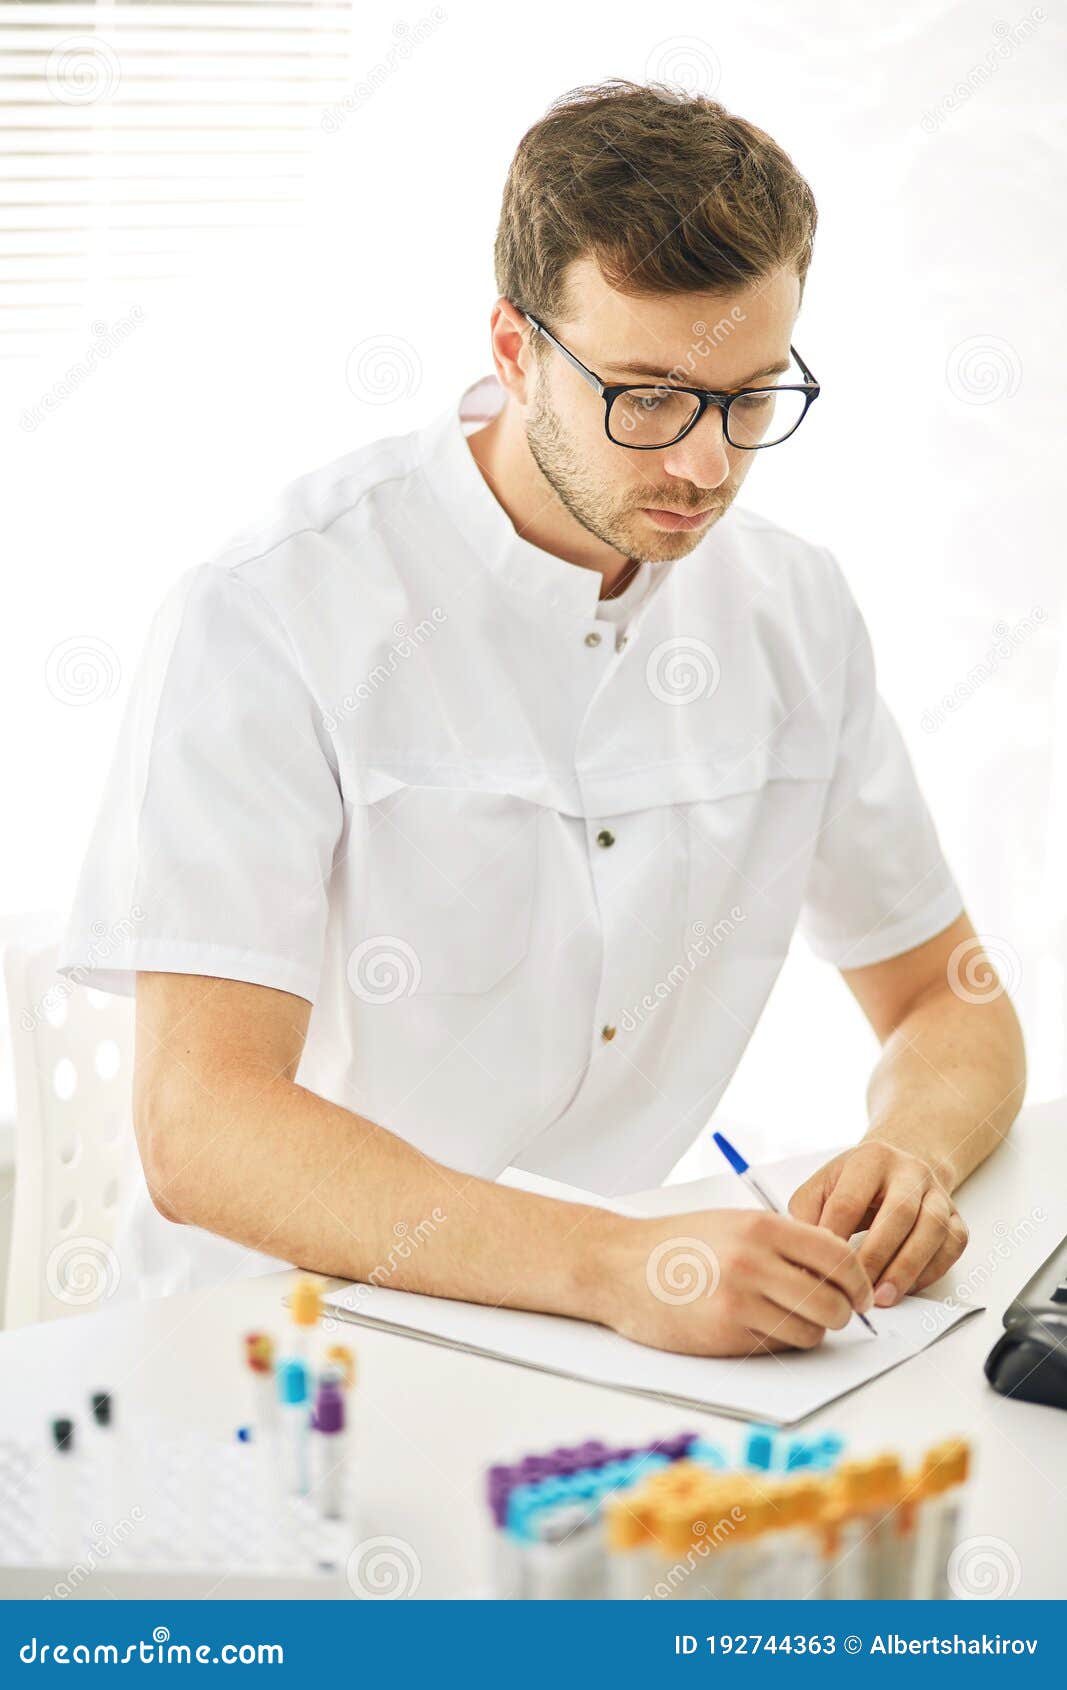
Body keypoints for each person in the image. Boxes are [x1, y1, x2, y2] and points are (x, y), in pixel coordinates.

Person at [59, 80, 1024, 1353]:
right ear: (514, 350)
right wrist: (617, 1264)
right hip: (267, 1342)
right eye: (645, 397)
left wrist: (906, 1157)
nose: (701, 465)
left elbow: (945, 1001)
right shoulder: (276, 608)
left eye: (747, 401)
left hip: (606, 1349)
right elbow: (203, 1129)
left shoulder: (791, 608)